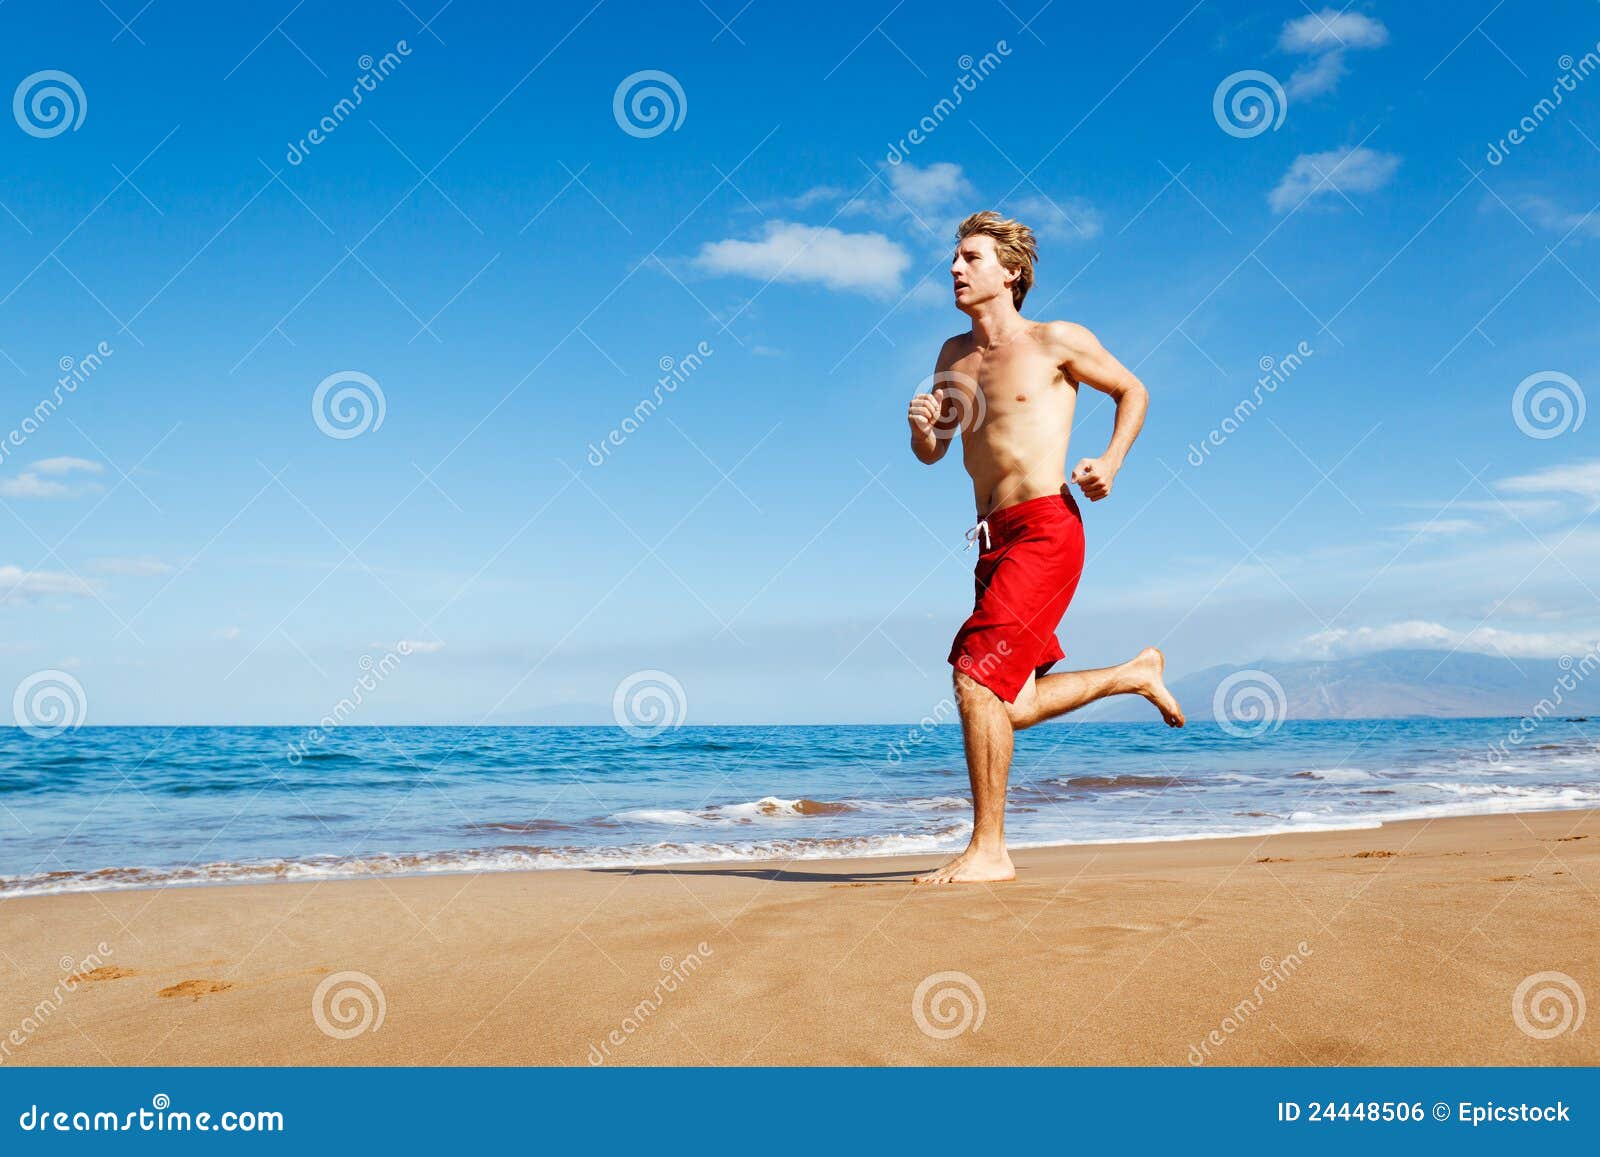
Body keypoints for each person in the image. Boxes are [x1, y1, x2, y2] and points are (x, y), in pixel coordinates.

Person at [907, 211, 1184, 885]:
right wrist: (918, 430)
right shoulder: (953, 356)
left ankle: (989, 850)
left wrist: (1112, 462)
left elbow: (1132, 389)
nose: (955, 268)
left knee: (974, 677)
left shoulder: (1055, 339)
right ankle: (1134, 673)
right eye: (954, 259)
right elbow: (936, 451)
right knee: (1011, 701)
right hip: (989, 540)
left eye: (970, 258)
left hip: (1045, 527)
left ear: (1010, 272)